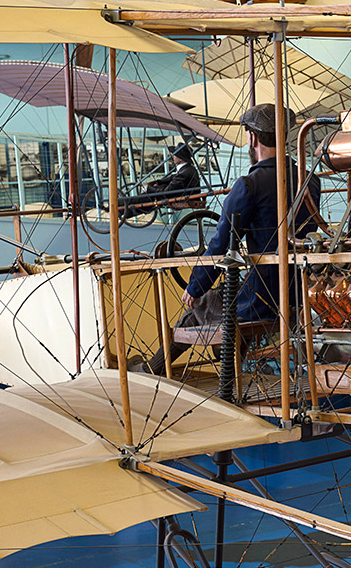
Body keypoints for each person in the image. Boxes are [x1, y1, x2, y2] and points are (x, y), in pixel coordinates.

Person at [137, 104, 321, 375]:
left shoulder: (250, 185)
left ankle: (157, 370)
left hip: (264, 297)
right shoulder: (311, 181)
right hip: (300, 294)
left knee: (202, 303)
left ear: (253, 138)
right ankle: (231, 371)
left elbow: (221, 244)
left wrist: (196, 285)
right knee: (224, 297)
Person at [122, 145, 200, 219]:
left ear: (181, 159)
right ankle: (122, 209)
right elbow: (172, 179)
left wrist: (148, 188)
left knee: (143, 199)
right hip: (179, 195)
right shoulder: (187, 169)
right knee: (143, 199)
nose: (172, 156)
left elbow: (167, 192)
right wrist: (158, 183)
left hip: (178, 197)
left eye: (175, 155)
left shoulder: (184, 172)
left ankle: (120, 207)